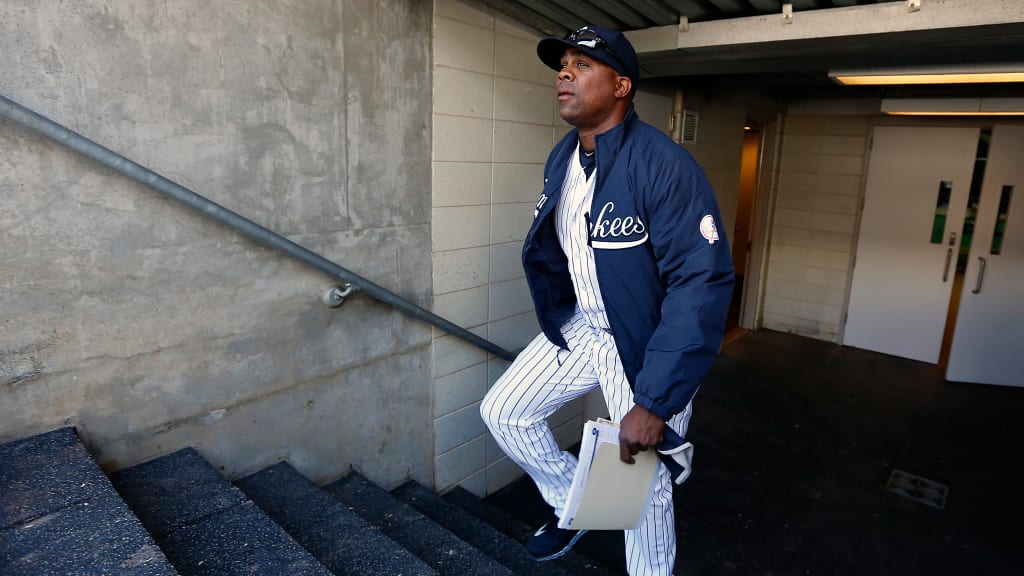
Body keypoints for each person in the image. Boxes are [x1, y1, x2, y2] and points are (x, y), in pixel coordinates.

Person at [479, 25, 735, 575]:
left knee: (641, 480)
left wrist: (657, 401)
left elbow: (701, 285)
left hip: (641, 344)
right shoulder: (563, 157)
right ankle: (575, 504)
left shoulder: (665, 166)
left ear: (621, 86)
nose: (564, 73)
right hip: (583, 327)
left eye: (582, 65)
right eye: (563, 64)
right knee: (505, 412)